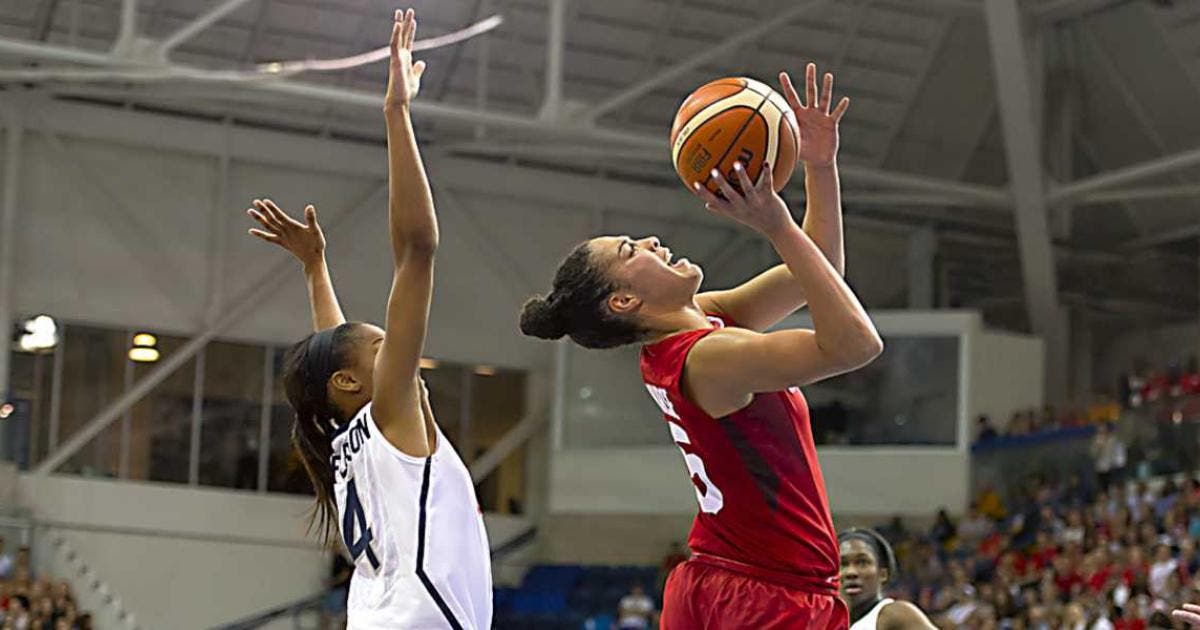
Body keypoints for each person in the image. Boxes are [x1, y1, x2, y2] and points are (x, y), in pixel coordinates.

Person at [520, 63, 882, 628]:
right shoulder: (709, 359)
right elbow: (855, 344)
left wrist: (819, 165)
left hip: (734, 580)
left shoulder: (700, 322)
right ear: (624, 302)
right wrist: (776, 225)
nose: (651, 240)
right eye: (630, 249)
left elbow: (821, 270)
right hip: (765, 595)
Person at [248, 10, 490, 628]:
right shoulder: (381, 418)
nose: (400, 349)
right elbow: (417, 249)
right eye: (385, 345)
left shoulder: (347, 439)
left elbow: (337, 355)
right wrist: (396, 113)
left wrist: (315, 269)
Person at [838, 528, 935, 629]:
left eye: (862, 562)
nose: (851, 572)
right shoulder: (828, 622)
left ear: (883, 574)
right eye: (843, 564)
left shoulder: (894, 615)